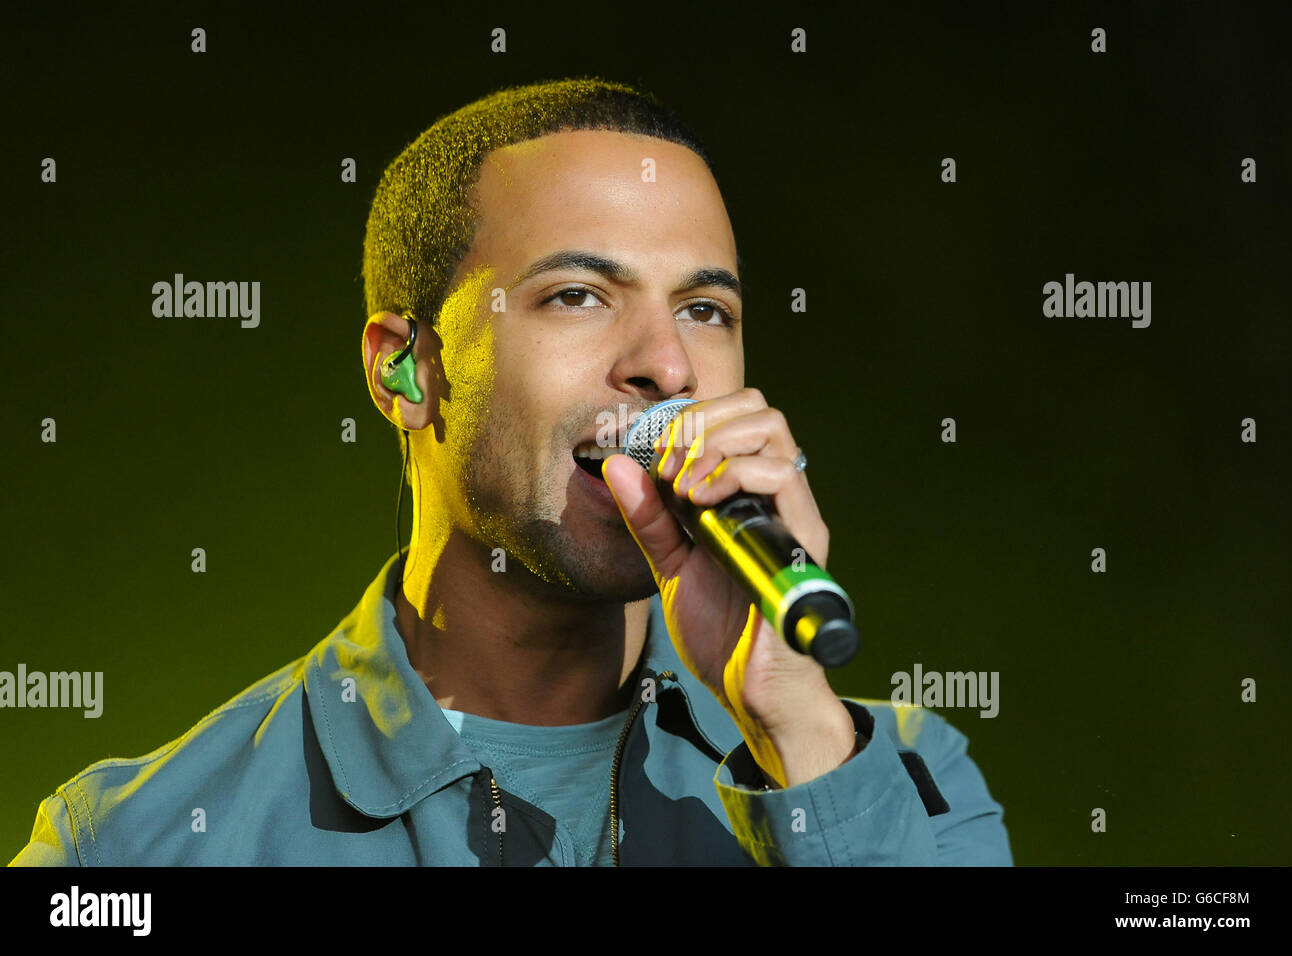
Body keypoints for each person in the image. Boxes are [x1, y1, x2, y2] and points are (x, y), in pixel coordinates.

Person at [10, 77, 1012, 866]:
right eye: (578, 294)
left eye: (705, 309)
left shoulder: (908, 779)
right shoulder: (130, 847)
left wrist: (798, 731)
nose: (667, 363)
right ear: (404, 369)